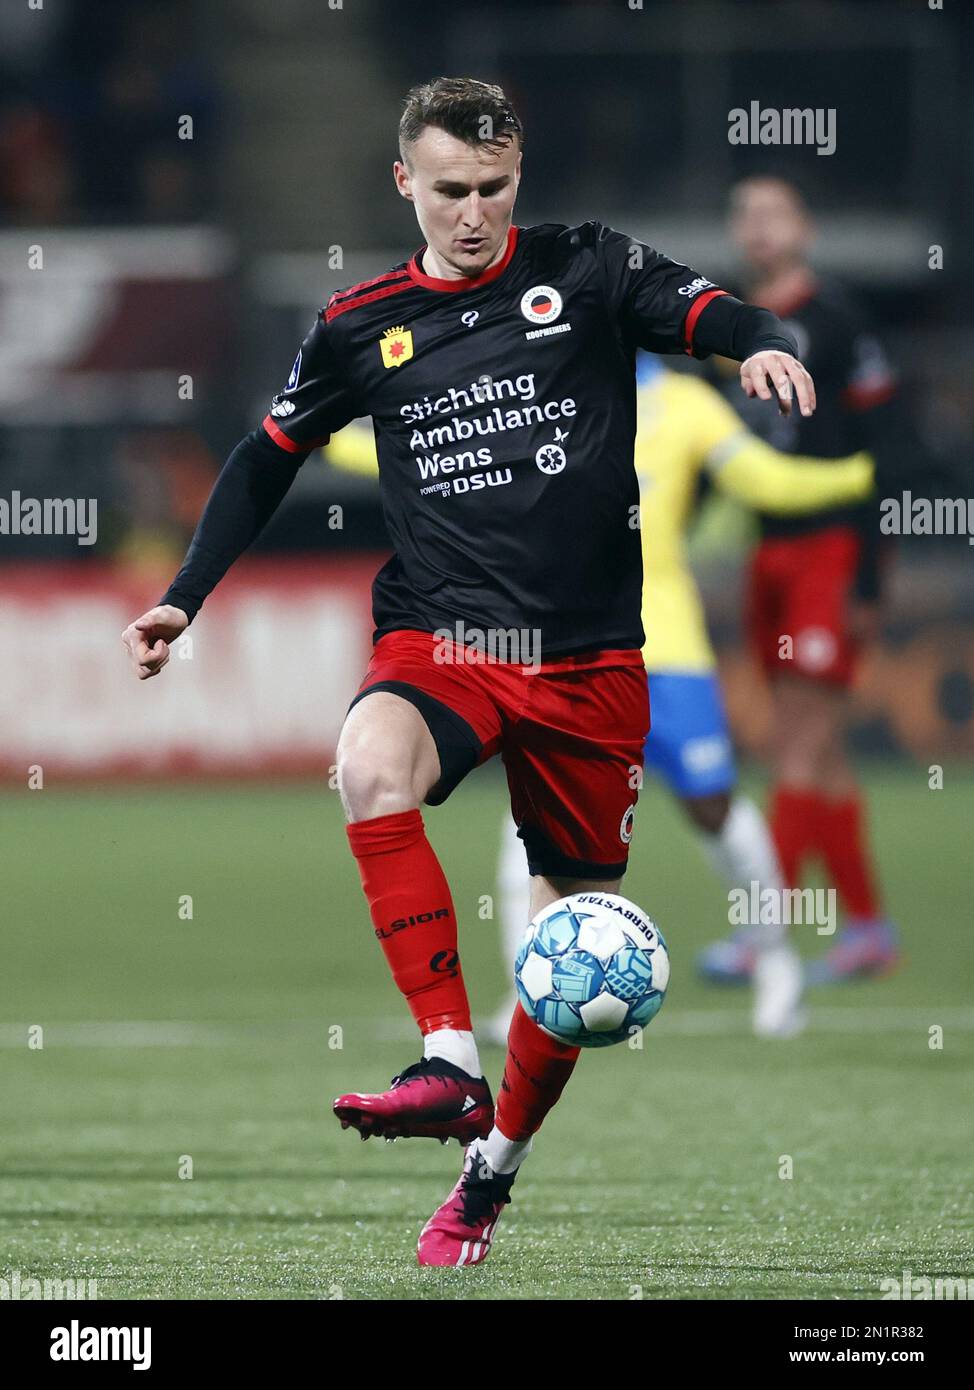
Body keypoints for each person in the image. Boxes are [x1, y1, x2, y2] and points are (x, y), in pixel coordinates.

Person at [121, 78, 815, 1267]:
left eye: (494, 189)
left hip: (592, 661)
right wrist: (184, 595)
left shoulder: (587, 269)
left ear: (518, 179)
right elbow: (262, 456)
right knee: (366, 760)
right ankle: (445, 1055)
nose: (475, 213)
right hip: (447, 638)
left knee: (564, 963)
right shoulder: (360, 325)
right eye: (450, 191)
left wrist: (758, 347)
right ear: (405, 183)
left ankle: (489, 1172)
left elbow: (710, 311)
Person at [327, 357, 874, 1039]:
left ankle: (774, 962)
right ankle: (527, 989)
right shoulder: (529, 389)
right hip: (563, 646)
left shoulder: (684, 402)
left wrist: (861, 474)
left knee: (712, 805)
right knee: (528, 818)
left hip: (666, 644)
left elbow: (760, 477)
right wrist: (323, 431)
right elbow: (424, 461)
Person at [699, 176, 901, 986]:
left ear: (806, 228)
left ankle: (763, 933)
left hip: (829, 551)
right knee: (817, 755)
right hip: (768, 553)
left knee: (798, 744)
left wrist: (872, 569)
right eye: (745, 213)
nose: (758, 227)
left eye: (774, 213)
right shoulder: (732, 333)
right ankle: (867, 928)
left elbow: (885, 446)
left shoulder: (839, 320)